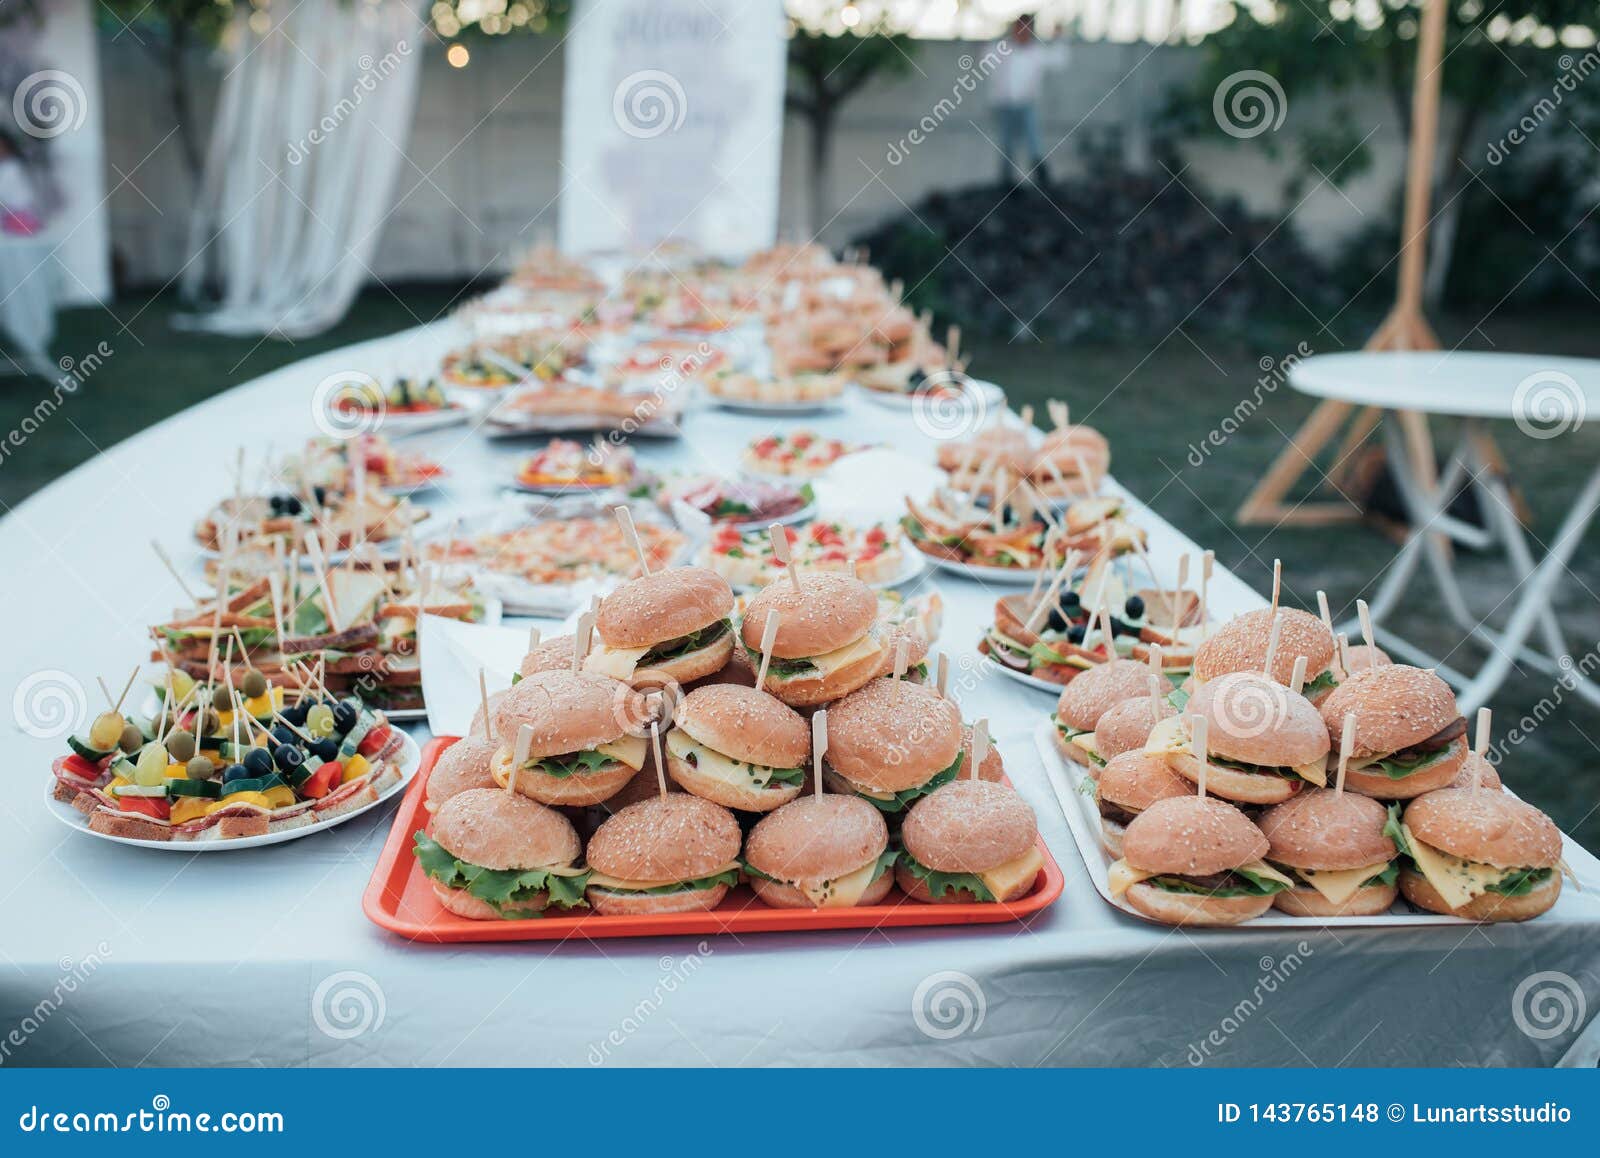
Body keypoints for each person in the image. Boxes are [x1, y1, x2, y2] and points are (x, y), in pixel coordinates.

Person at [989, 15, 1067, 185]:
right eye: (1019, 28)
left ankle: (1040, 175)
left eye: (1026, 29)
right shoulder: (1002, 50)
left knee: (1033, 140)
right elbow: (985, 57)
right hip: (1005, 105)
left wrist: (1059, 37)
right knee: (1007, 144)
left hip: (1026, 104)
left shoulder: (1036, 52)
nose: (1022, 33)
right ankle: (1006, 181)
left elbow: (1058, 61)